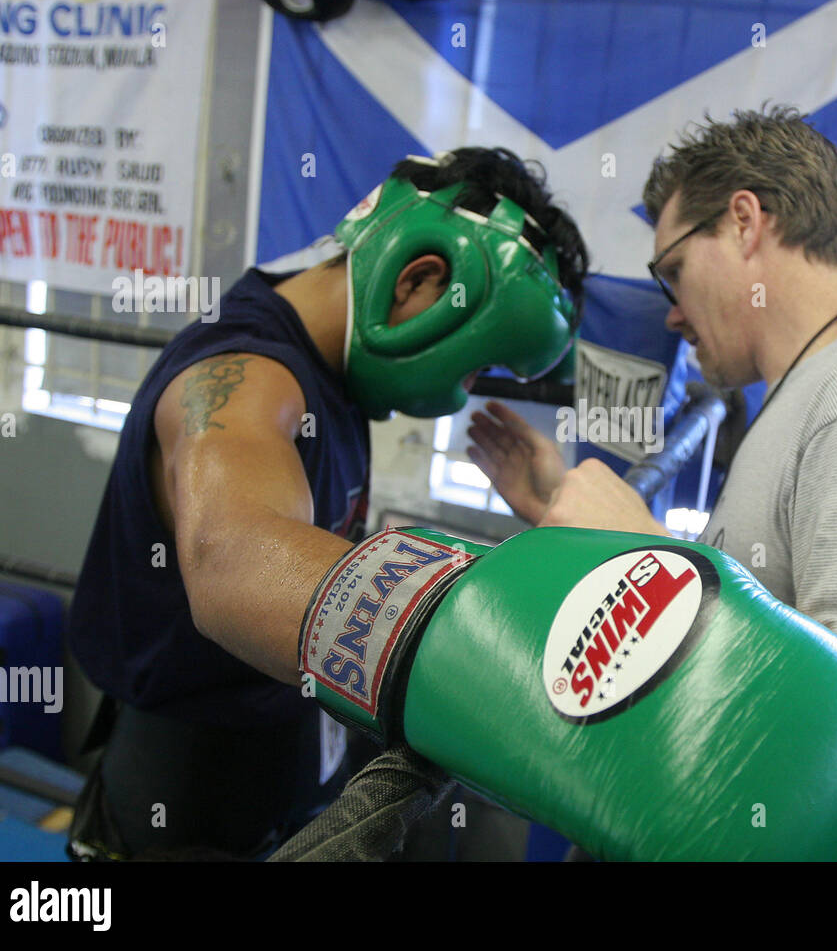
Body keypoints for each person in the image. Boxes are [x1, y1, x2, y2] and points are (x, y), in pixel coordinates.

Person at [467, 106, 837, 861]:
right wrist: (591, 533)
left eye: (674, 271)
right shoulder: (815, 398)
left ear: (745, 223)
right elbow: (776, 634)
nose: (670, 314)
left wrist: (649, 558)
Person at [65, 147, 588, 860]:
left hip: (285, 744)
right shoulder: (242, 376)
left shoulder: (333, 371)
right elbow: (233, 559)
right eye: (475, 366)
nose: (464, 392)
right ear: (420, 280)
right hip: (185, 783)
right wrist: (487, 659)